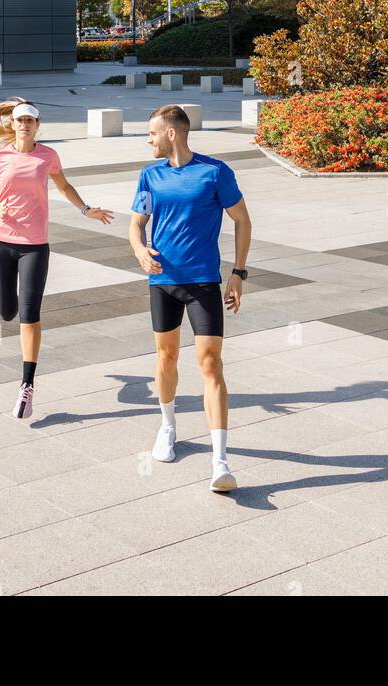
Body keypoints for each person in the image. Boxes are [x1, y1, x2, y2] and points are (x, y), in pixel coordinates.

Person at [129, 104, 253, 492]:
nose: (147, 140)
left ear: (171, 133)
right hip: (162, 281)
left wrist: (238, 273)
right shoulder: (150, 175)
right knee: (165, 356)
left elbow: (242, 220)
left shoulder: (214, 173)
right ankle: (168, 426)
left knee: (211, 364)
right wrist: (138, 249)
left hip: (203, 282)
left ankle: (220, 462)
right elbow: (137, 223)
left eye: (151, 133)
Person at [0, 97, 113, 419]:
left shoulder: (47, 156)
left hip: (35, 245)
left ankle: (27, 385)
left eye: (30, 121)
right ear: (12, 124)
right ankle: (9, 309)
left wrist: (85, 209)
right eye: (20, 120)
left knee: (29, 314)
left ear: (37, 126)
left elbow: (64, 186)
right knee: (6, 311)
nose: (25, 125)